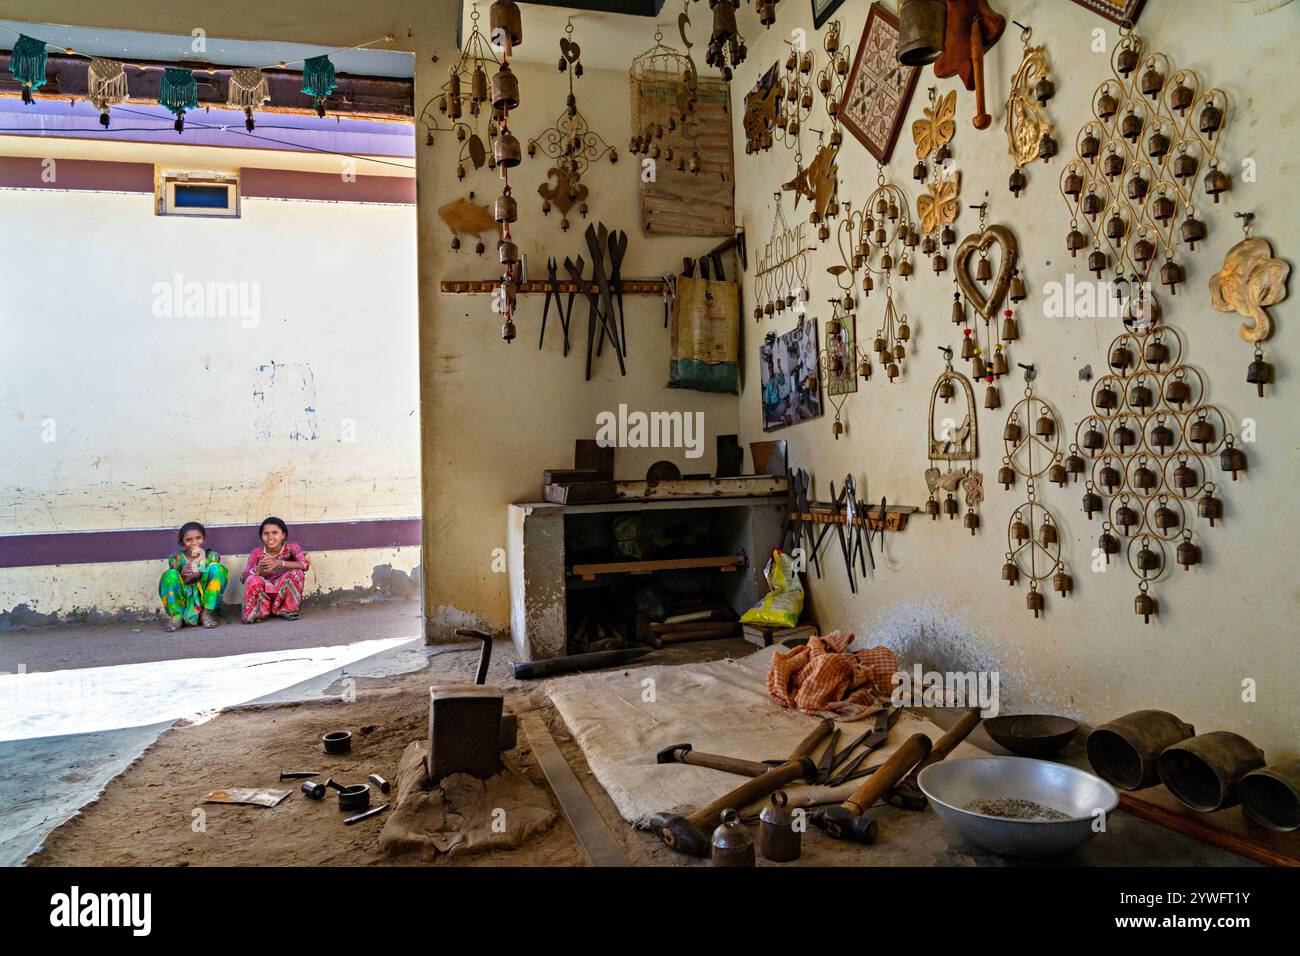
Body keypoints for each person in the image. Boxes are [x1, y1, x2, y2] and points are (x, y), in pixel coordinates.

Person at [158, 521, 228, 632]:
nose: (194, 543)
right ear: (182, 542)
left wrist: (200, 573)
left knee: (218, 568)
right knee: (170, 574)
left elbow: (212, 577)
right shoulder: (176, 558)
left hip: (204, 596)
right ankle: (177, 617)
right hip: (184, 598)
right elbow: (174, 583)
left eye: (198, 538)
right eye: (188, 540)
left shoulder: (212, 556)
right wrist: (183, 576)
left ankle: (206, 613)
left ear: (203, 538)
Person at [240, 517, 311, 623]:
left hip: (283, 592)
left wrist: (279, 563)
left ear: (283, 535)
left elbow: (305, 565)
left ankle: (287, 610)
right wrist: (256, 570)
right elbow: (243, 578)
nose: (270, 537)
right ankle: (260, 612)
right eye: (266, 533)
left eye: (275, 533)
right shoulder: (256, 553)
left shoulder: (292, 548)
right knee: (252, 579)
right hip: (265, 593)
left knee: (297, 572)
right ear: (261, 536)